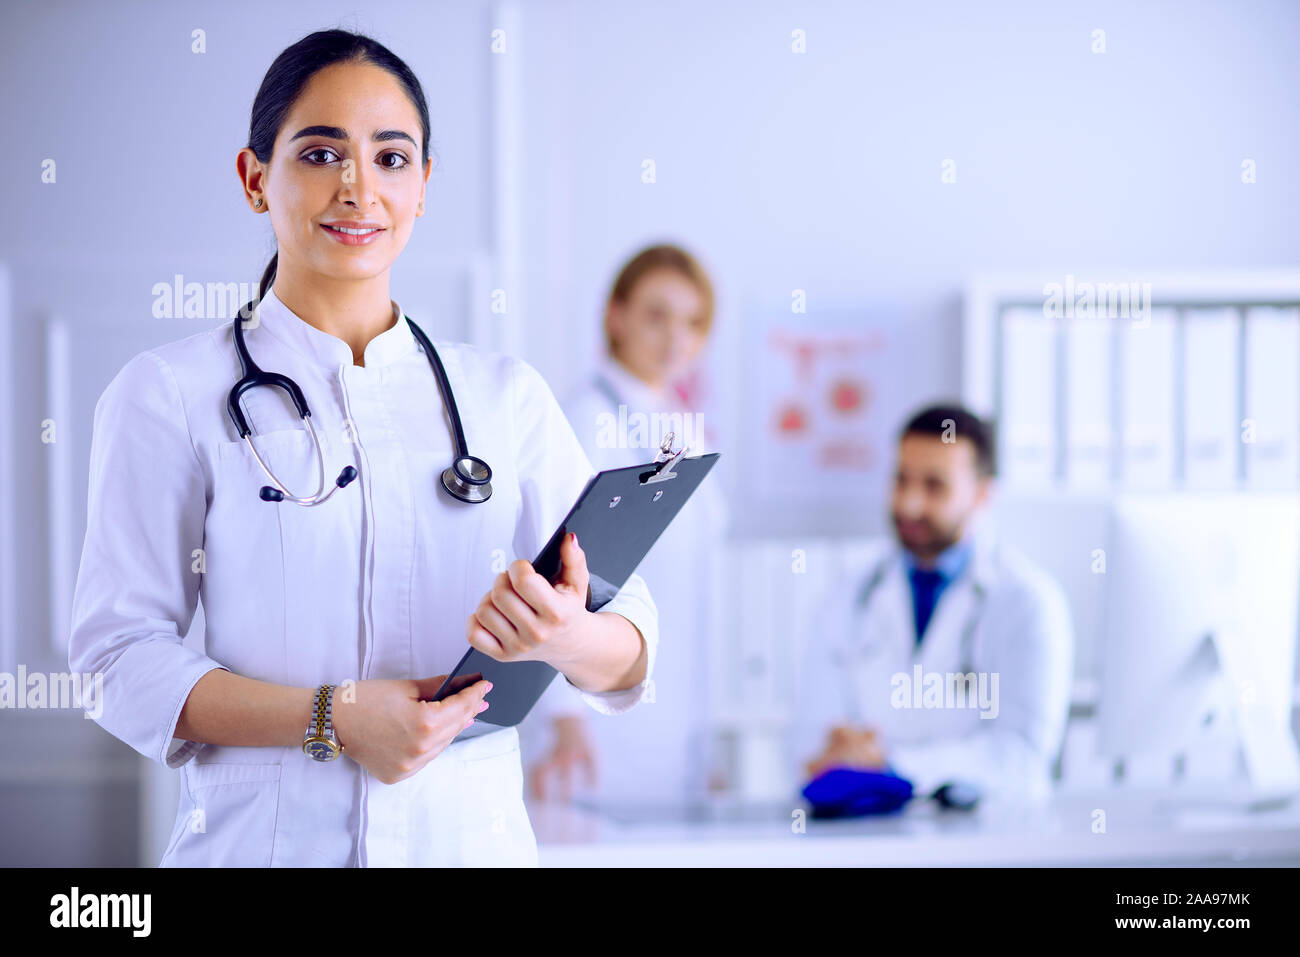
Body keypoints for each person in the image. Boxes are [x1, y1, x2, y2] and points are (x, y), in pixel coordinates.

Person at [66, 29, 658, 867]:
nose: (358, 188)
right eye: (320, 154)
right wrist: (331, 717)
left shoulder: (505, 399)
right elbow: (116, 660)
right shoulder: (167, 394)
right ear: (254, 179)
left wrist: (565, 637)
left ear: (422, 188)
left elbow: (629, 637)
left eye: (391, 158)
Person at [523, 244, 728, 807]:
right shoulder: (585, 419)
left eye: (693, 322)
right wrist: (565, 721)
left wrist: (709, 740)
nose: (676, 338)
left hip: (677, 716)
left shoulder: (685, 428)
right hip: (597, 722)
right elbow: (554, 573)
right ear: (616, 316)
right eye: (657, 315)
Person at [789, 404, 1074, 803]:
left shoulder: (1027, 603)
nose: (910, 504)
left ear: (982, 494)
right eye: (901, 480)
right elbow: (807, 742)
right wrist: (835, 753)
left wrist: (892, 765)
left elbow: (1022, 757)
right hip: (865, 833)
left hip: (991, 833)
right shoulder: (847, 597)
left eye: (934, 486)